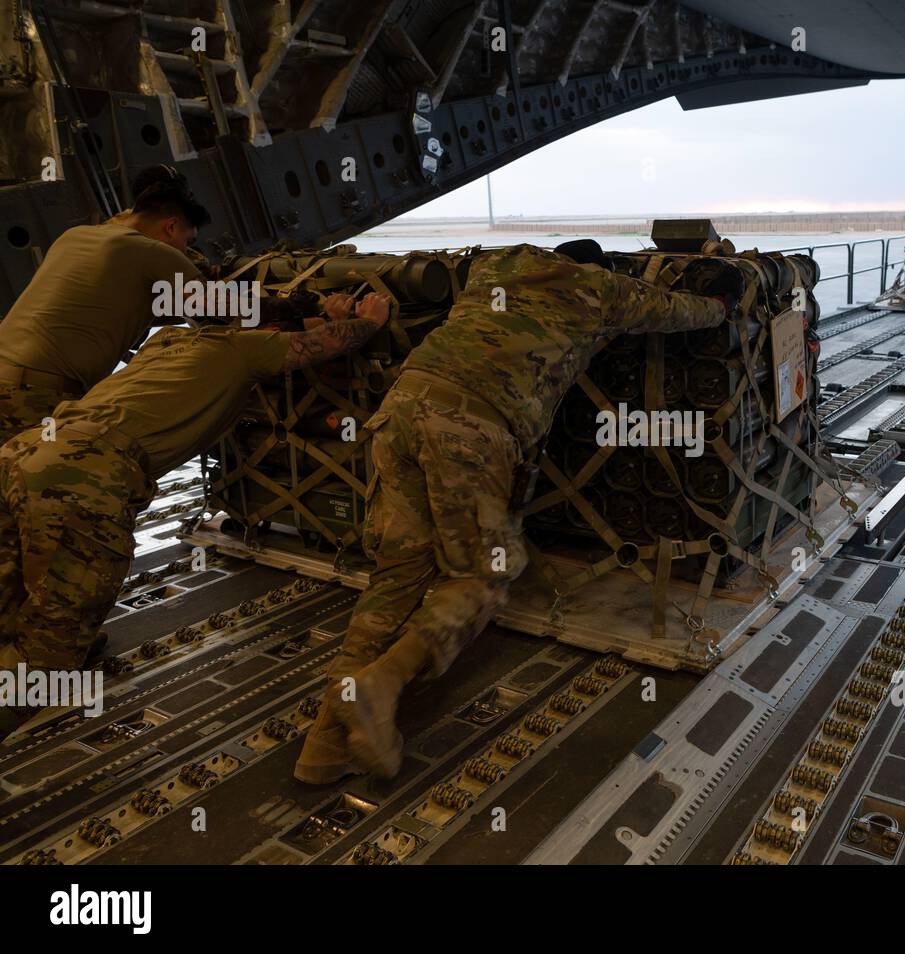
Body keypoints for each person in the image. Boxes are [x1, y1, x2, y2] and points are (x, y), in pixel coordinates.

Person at [294, 240, 732, 784]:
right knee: (487, 570)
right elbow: (679, 312)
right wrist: (722, 305)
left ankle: (323, 746)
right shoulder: (601, 290)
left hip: (402, 408)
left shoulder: (493, 267)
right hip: (471, 427)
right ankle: (383, 683)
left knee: (395, 578)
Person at [0, 292, 393, 740]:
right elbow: (322, 345)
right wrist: (365, 322)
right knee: (54, 650)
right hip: (82, 476)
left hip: (23, 451)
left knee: (9, 595)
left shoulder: (167, 340)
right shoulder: (242, 349)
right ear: (269, 331)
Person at [0, 173, 211, 447]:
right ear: (171, 227)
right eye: (188, 240)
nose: (187, 249)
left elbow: (99, 300)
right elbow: (222, 308)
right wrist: (277, 301)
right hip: (34, 396)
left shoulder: (74, 236)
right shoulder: (156, 253)